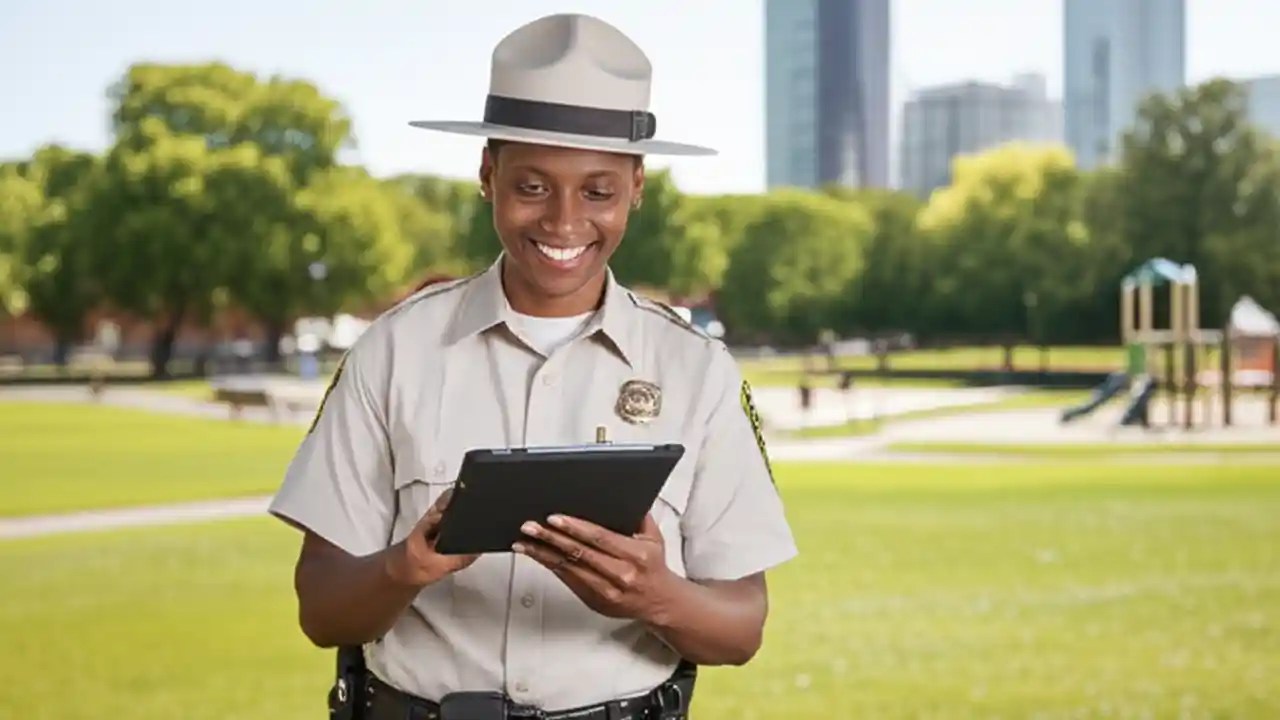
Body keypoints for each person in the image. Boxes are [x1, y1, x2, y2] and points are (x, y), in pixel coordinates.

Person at [268, 12, 798, 720]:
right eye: (533, 186)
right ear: (488, 174)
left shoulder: (697, 370)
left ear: (637, 186)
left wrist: (655, 595)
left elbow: (742, 628)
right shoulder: (393, 352)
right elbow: (321, 613)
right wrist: (406, 568)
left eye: (599, 190)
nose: (564, 222)